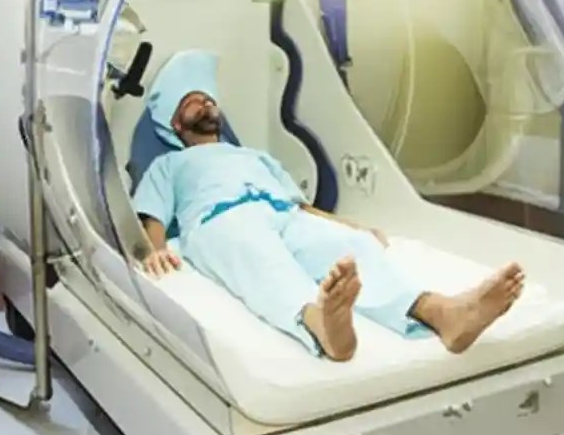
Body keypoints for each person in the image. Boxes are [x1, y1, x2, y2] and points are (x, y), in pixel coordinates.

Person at [132, 50, 526, 362]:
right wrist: (157, 249)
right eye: (193, 103)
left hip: (282, 213)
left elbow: (302, 207)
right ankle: (318, 321)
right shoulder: (170, 164)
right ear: (176, 125)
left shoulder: (254, 157)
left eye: (208, 99)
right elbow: (152, 213)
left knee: (350, 250)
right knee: (260, 259)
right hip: (221, 220)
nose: (205, 104)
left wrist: (351, 227)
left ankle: (441, 312)